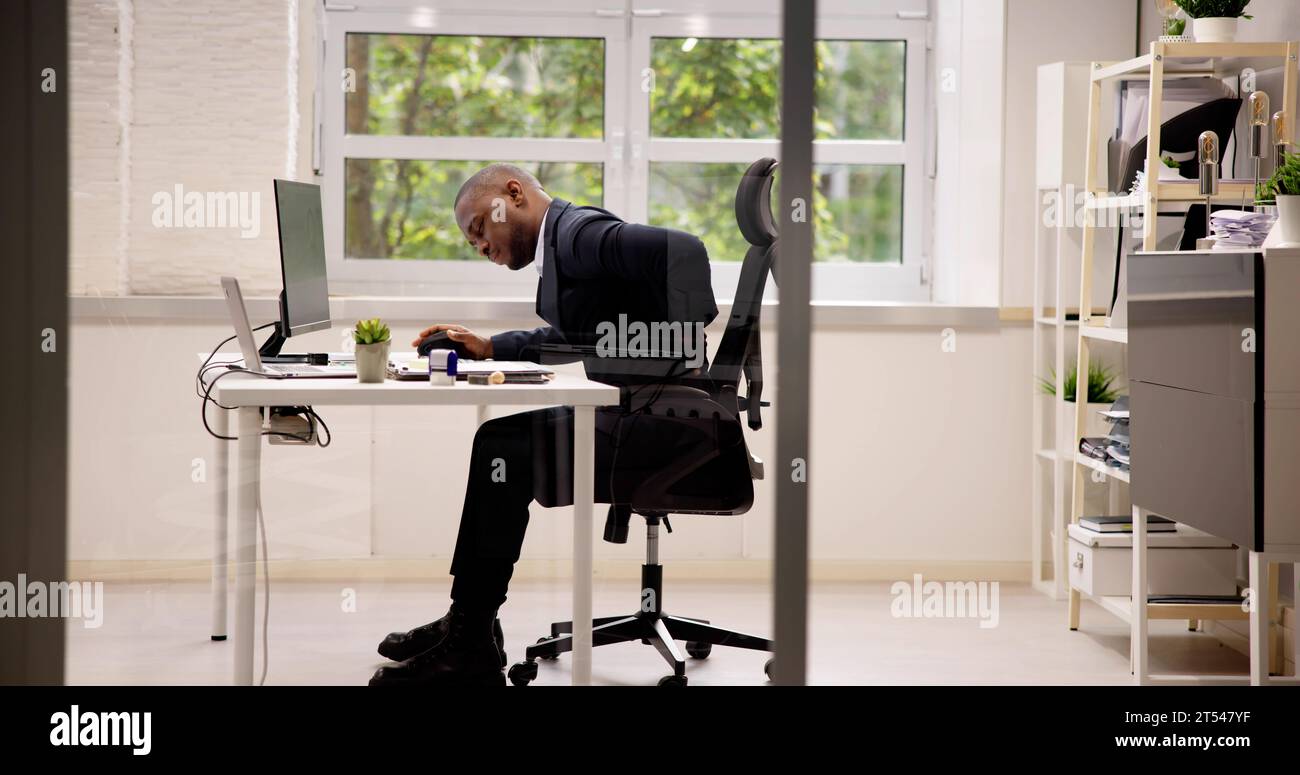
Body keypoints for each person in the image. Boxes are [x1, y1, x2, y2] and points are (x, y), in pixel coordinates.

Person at [368, 163, 717, 686]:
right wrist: (492, 347)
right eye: (472, 242)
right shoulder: (564, 245)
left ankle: (471, 640)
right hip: (649, 415)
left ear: (514, 195)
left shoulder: (579, 236)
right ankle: (471, 627)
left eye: (480, 230)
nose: (480, 247)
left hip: (664, 425)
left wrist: (675, 346)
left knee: (502, 446)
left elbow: (684, 250)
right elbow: (578, 336)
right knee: (498, 442)